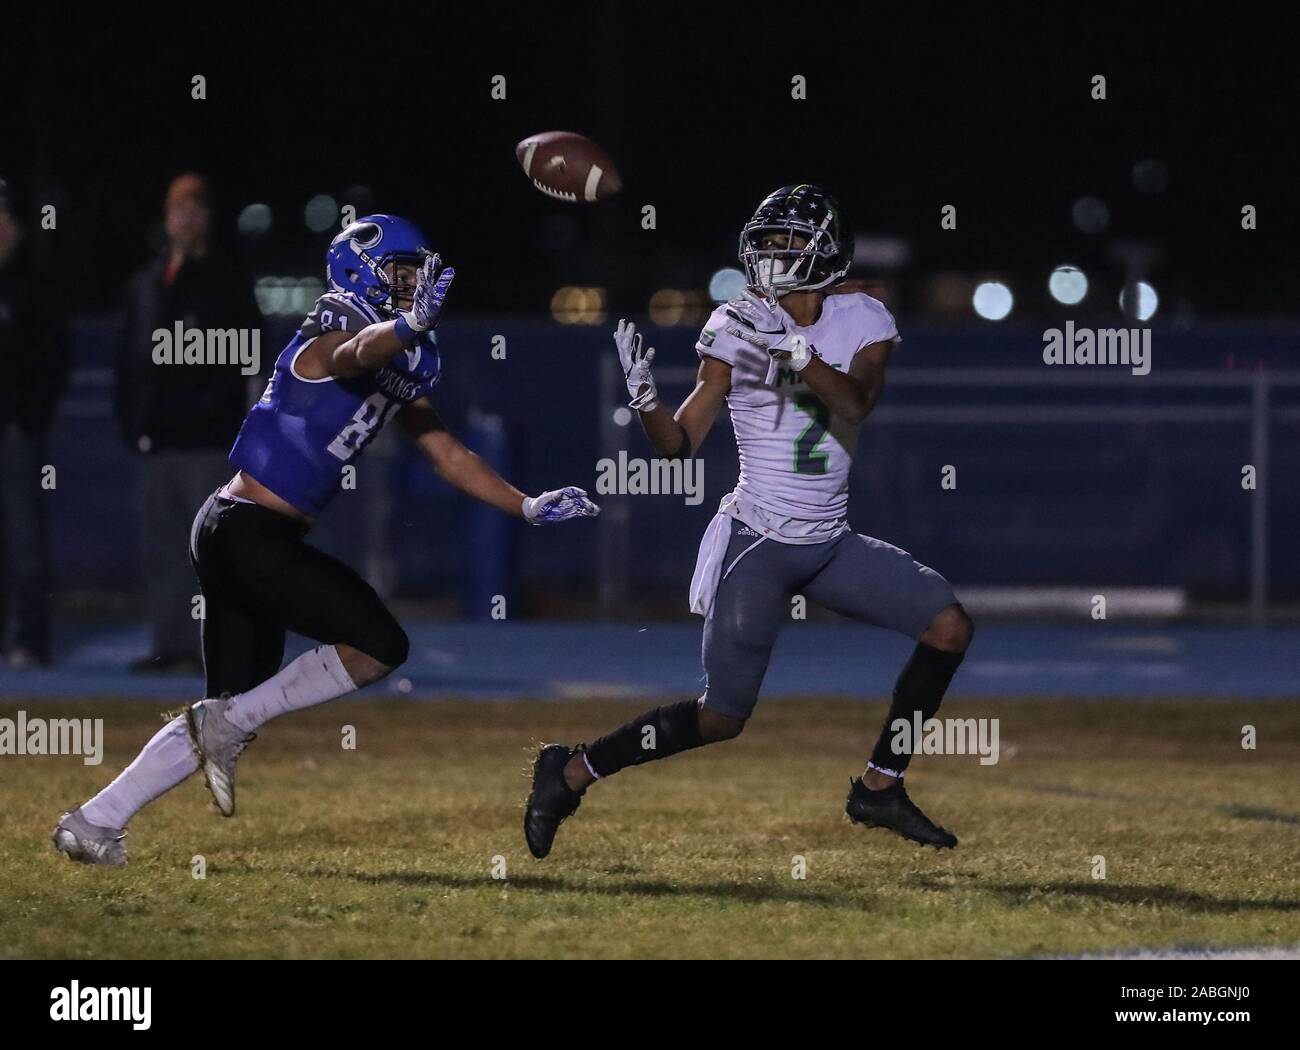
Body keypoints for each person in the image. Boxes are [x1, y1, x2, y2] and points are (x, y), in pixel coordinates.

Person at [55, 214, 599, 866]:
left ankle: (93, 821)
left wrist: (526, 504)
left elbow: (447, 452)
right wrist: (405, 327)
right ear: (357, 271)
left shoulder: (399, 356)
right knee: (378, 647)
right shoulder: (332, 331)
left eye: (414, 278)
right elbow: (354, 353)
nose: (410, 287)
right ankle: (220, 727)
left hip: (238, 530)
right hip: (247, 533)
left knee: (229, 715)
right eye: (399, 274)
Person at [525, 185, 973, 858]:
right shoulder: (734, 324)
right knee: (721, 718)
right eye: (764, 245)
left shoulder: (863, 314)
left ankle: (880, 786)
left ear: (824, 249)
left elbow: (853, 404)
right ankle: (569, 770)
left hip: (827, 541)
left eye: (788, 243)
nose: (772, 258)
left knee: (949, 627)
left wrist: (791, 350)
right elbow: (679, 445)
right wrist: (647, 403)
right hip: (758, 540)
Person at [115, 173, 260, 674]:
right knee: (163, 551)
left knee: (211, 552)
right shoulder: (147, 283)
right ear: (166, 215)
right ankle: (171, 644)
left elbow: (248, 352)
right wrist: (133, 423)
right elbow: (129, 360)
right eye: (180, 208)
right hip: (158, 444)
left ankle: (216, 647)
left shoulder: (225, 280)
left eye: (197, 208)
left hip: (206, 443)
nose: (187, 217)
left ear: (209, 218)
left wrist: (224, 420)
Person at [0, 179, 71, 668]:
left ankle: (32, 641)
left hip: (16, 439)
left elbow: (53, 359)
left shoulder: (35, 286)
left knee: (26, 543)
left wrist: (28, 420)